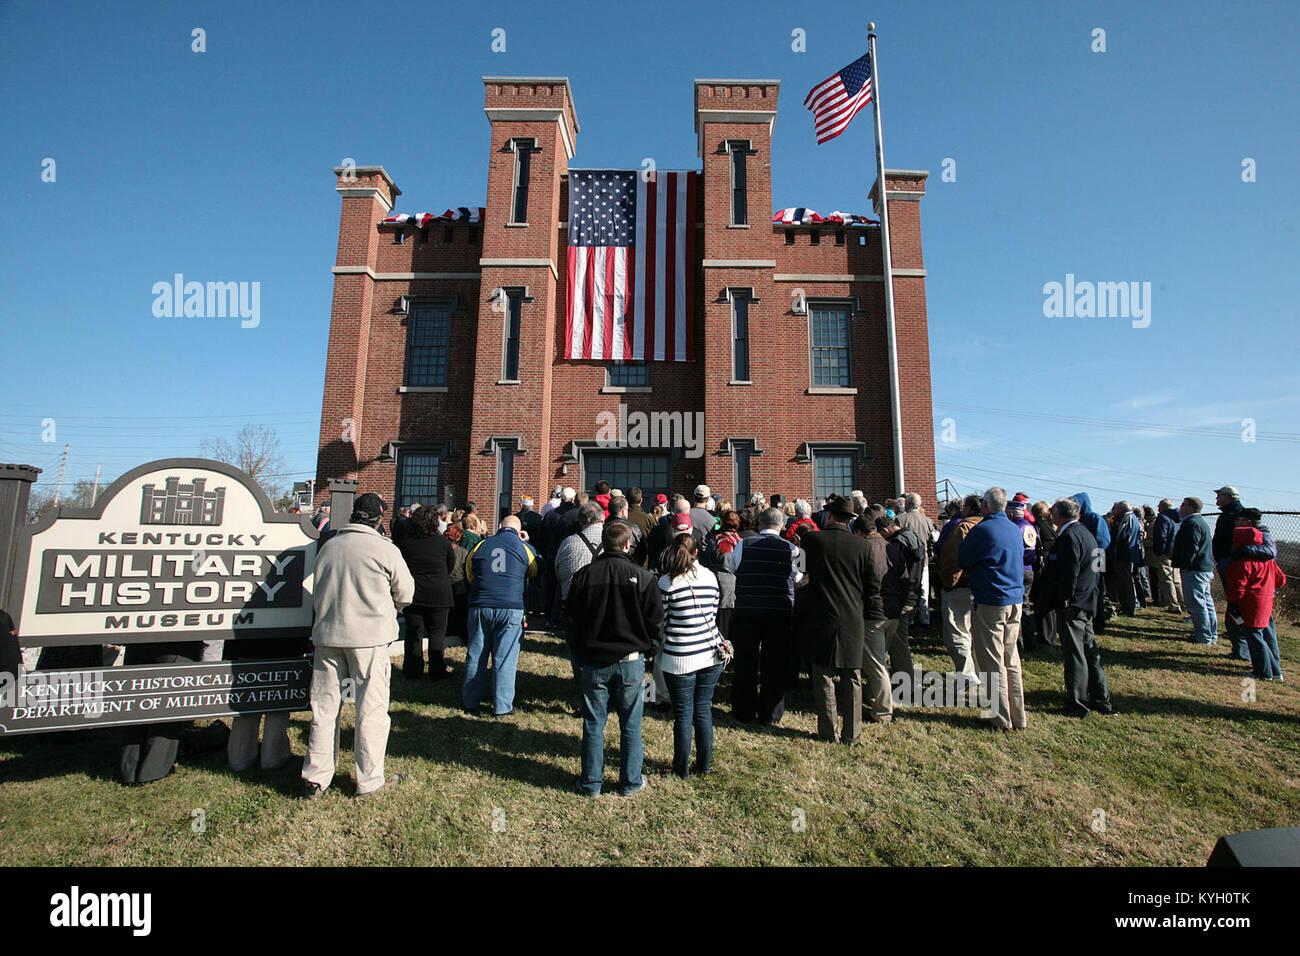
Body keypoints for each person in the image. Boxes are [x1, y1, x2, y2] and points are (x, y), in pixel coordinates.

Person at [302, 493, 414, 798]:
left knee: (324, 708)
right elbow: (406, 593)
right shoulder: (384, 549)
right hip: (369, 639)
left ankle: (316, 775)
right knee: (371, 708)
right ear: (379, 519)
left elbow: (312, 589)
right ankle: (369, 779)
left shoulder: (328, 547)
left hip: (327, 635)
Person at [566, 522, 665, 796]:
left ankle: (591, 783)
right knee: (630, 724)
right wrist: (650, 650)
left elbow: (571, 618)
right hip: (628, 661)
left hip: (595, 659)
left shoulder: (585, 575)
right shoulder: (642, 577)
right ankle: (630, 782)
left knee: (594, 723)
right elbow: (657, 622)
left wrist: (578, 649)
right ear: (626, 546)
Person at [799, 494, 884, 742]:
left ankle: (827, 731)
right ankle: (852, 733)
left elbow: (799, 574)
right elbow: (873, 586)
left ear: (831, 515)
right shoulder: (864, 546)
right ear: (849, 519)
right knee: (852, 676)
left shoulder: (811, 540)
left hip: (820, 615)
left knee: (823, 675)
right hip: (852, 616)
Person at [957, 487, 1027, 732]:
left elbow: (962, 559)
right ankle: (1019, 715)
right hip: (1015, 599)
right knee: (1011, 658)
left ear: (985, 505)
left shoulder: (982, 530)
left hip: (991, 599)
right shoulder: (1013, 528)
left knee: (992, 660)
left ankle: (1000, 717)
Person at [1037, 497, 1114, 717]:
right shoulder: (1086, 533)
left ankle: (1078, 703)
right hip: (1086, 600)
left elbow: (1069, 573)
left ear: (1058, 516)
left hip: (1074, 604)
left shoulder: (1070, 537)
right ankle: (1101, 698)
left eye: (1053, 512)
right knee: (1089, 651)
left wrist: (1065, 599)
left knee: (1075, 654)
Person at [658, 533, 725, 777]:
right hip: (710, 652)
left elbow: (662, 621)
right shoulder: (710, 577)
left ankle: (681, 768)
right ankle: (704, 766)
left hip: (679, 656)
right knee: (703, 710)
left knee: (683, 714)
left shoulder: (666, 583)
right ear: (696, 552)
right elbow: (713, 612)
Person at [729, 506, 802, 724]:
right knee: (775, 662)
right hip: (778, 611)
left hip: (747, 608)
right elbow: (798, 578)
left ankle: (743, 710)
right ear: (782, 526)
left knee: (745, 661)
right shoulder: (792, 549)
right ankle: (770, 713)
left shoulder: (743, 544)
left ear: (760, 523)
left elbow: (734, 568)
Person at [463, 515, 539, 716]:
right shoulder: (524, 548)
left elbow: (469, 574)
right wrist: (527, 543)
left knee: (476, 655)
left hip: (481, 604)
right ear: (519, 530)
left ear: (498, 527)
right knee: (505, 658)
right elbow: (537, 569)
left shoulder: (481, 545)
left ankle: (470, 701)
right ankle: (502, 706)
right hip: (510, 607)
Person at [397, 505, 456, 680]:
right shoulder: (442, 542)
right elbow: (450, 565)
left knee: (414, 632)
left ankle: (412, 669)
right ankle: (437, 669)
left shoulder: (406, 543)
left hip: (414, 593)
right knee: (437, 634)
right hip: (439, 592)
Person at [1225, 524, 1286, 680]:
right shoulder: (1269, 562)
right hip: (1266, 602)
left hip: (1250, 604)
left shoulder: (1243, 563)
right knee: (1260, 636)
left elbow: (1238, 588)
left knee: (1254, 638)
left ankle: (1263, 672)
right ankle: (1275, 671)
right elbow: (1281, 580)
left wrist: (1233, 604)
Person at [938, 495, 983, 681]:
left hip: (961, 586)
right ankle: (981, 672)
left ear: (969, 509)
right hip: (983, 588)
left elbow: (950, 559)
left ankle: (966, 675)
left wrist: (949, 582)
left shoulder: (964, 527)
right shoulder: (988, 526)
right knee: (977, 633)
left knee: (957, 632)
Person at [1172, 497, 1217, 645]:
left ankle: (1203, 636)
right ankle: (1211, 634)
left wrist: (1185, 564)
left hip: (1194, 570)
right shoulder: (1200, 523)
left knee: (1197, 604)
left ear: (1191, 508)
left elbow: (1191, 547)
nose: (1180, 507)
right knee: (1206, 603)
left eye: (1183, 505)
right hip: (1203, 568)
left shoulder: (1192, 524)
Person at [1211, 485, 1248, 659]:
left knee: (1236, 606)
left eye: (1219, 496)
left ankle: (1242, 648)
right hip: (1225, 562)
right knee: (1233, 605)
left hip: (1231, 564)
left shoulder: (1238, 516)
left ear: (1228, 497)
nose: (1217, 499)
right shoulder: (1227, 514)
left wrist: (1229, 558)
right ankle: (1239, 646)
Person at [1070, 493, 1111, 633]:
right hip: (1084, 558)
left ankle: (1098, 619)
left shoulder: (1095, 518)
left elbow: (1104, 540)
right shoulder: (1079, 519)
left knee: (1096, 588)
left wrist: (1092, 552)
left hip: (1097, 557)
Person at [897, 492, 937, 626]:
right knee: (924, 590)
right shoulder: (928, 521)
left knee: (907, 589)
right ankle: (925, 618)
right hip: (923, 559)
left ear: (907, 504)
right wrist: (929, 555)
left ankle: (909, 618)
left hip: (905, 560)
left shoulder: (900, 519)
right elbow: (931, 542)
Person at [1029, 500, 1059, 646]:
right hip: (1051, 567)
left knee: (1042, 603)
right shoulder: (1050, 528)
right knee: (1048, 603)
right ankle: (1050, 634)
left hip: (1041, 568)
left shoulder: (1036, 528)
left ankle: (1045, 635)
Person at [1106, 501, 1141, 617]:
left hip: (1123, 555)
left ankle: (1129, 607)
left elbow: (1120, 536)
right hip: (1126, 554)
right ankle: (1127, 606)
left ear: (1122, 509)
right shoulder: (1132, 518)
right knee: (1124, 581)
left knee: (1125, 582)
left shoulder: (1127, 519)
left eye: (1115, 508)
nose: (1113, 510)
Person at [1151, 499, 1183, 614]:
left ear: (1162, 507)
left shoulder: (1162, 518)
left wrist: (1159, 551)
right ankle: (1183, 602)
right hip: (1176, 552)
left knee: (1166, 579)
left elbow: (1161, 536)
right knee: (1177, 579)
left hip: (1165, 553)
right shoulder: (1179, 519)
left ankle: (1173, 605)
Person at [444, 524, 470, 640]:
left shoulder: (442, 551)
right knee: (460, 611)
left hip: (445, 584)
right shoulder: (463, 552)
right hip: (459, 584)